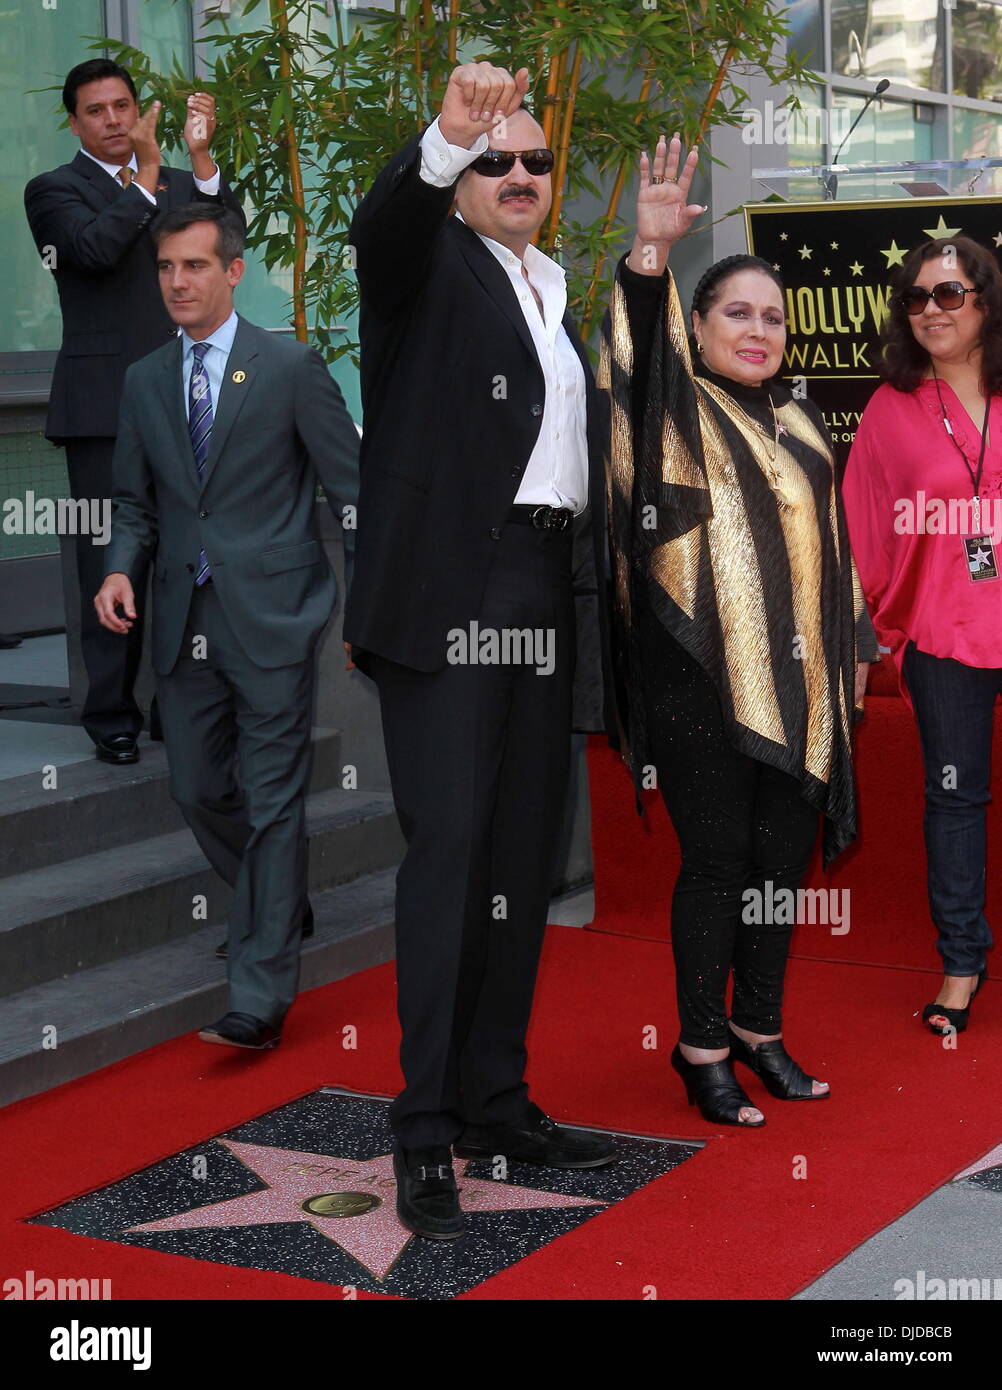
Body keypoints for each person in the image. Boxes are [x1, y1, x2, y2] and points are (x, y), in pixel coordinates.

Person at [344, 61, 616, 1241]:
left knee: (523, 847)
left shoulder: (557, 292)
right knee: (450, 852)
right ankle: (422, 1131)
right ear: (462, 180)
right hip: (454, 587)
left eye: (532, 161)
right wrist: (441, 138)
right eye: (492, 160)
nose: (515, 175)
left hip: (546, 587)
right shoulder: (425, 267)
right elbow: (383, 226)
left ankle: (497, 1097)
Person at [600, 135, 875, 1125]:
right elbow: (632, 364)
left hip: (801, 692)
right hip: (698, 677)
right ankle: (699, 1044)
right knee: (718, 865)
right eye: (736, 313)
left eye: (772, 318)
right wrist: (649, 257)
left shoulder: (802, 424)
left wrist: (848, 668)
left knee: (778, 868)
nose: (757, 331)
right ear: (699, 326)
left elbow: (835, 558)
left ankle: (759, 1028)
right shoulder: (675, 406)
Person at [95, 204, 359, 1050]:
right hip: (181, 617)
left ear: (234, 271)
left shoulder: (288, 367)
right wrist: (115, 567)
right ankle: (275, 898)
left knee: (276, 797)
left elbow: (350, 495)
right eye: (167, 267)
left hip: (274, 617)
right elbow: (136, 503)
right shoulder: (143, 379)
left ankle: (258, 992)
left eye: (195, 266)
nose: (178, 282)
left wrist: (373, 610)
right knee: (196, 788)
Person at [24, 58, 243, 764]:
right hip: (101, 409)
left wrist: (201, 159)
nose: (115, 119)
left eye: (123, 105)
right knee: (108, 564)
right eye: (97, 110)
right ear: (74, 120)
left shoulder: (179, 185)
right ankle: (110, 714)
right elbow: (92, 250)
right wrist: (149, 178)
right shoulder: (54, 190)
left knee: (184, 560)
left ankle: (172, 710)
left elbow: (225, 239)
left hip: (186, 403)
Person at [844, 234, 1001, 1036]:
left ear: (985, 302)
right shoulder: (889, 406)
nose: (931, 310)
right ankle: (962, 964)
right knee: (954, 800)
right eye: (917, 297)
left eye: (950, 293)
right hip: (943, 627)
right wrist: (875, 625)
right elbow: (864, 523)